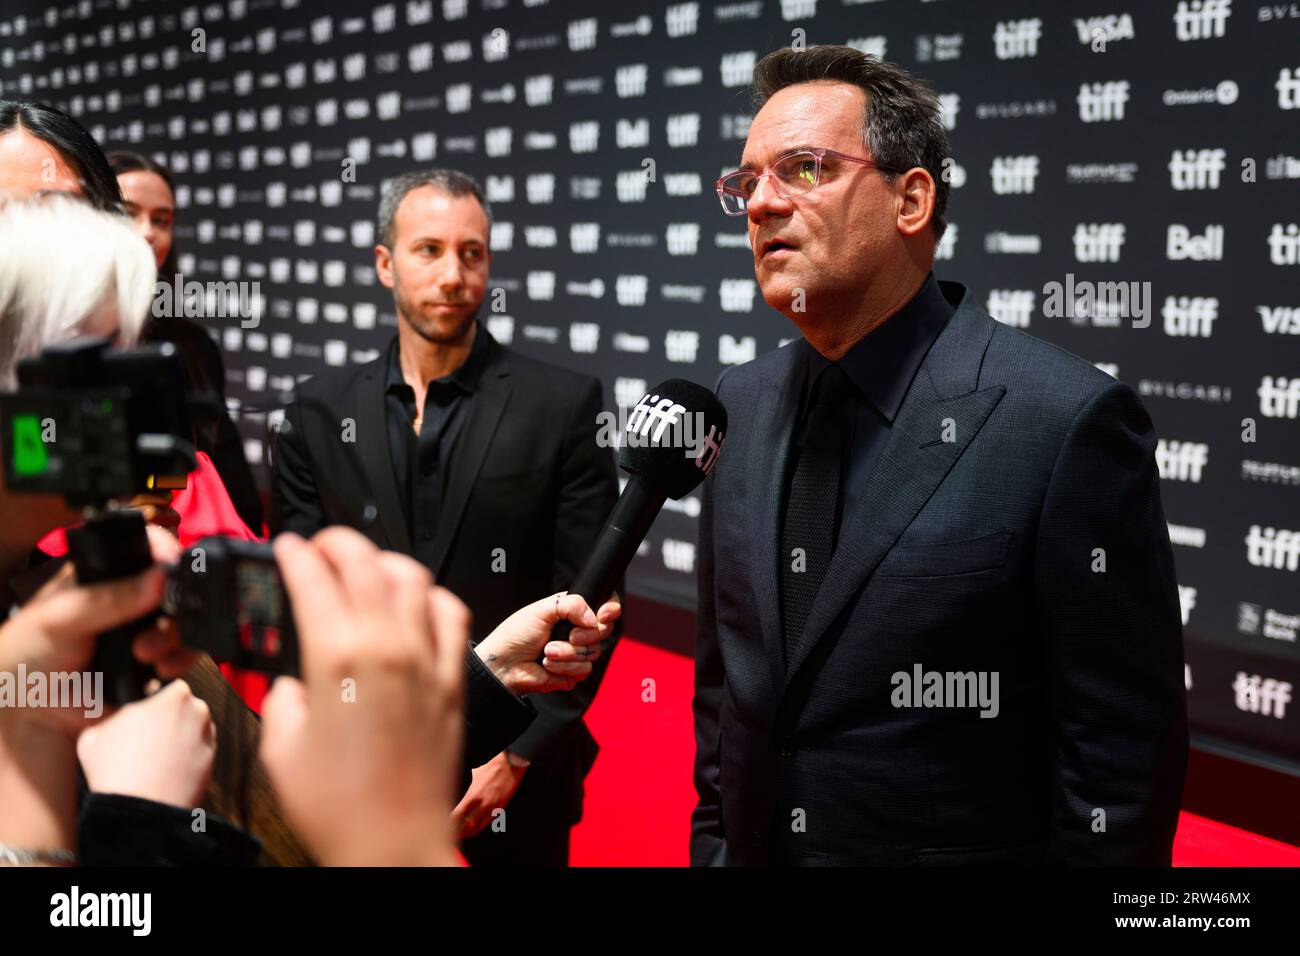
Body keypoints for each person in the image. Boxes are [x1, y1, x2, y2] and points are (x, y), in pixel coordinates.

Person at [692, 46, 1188, 866]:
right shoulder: (735, 404)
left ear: (911, 198)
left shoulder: (1063, 421)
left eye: (803, 169)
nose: (761, 204)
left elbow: (1117, 765)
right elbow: (725, 703)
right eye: (745, 182)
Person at [272, 169, 621, 865]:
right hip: (360, 762)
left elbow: (593, 600)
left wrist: (515, 755)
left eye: (472, 252)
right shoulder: (317, 411)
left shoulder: (564, 406)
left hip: (515, 787)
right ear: (384, 263)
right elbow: (299, 599)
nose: (454, 274)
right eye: (428, 250)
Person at [108, 150, 266, 535]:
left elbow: (227, 470)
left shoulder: (193, 347)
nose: (148, 232)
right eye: (129, 213)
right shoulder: (53, 339)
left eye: (161, 220)